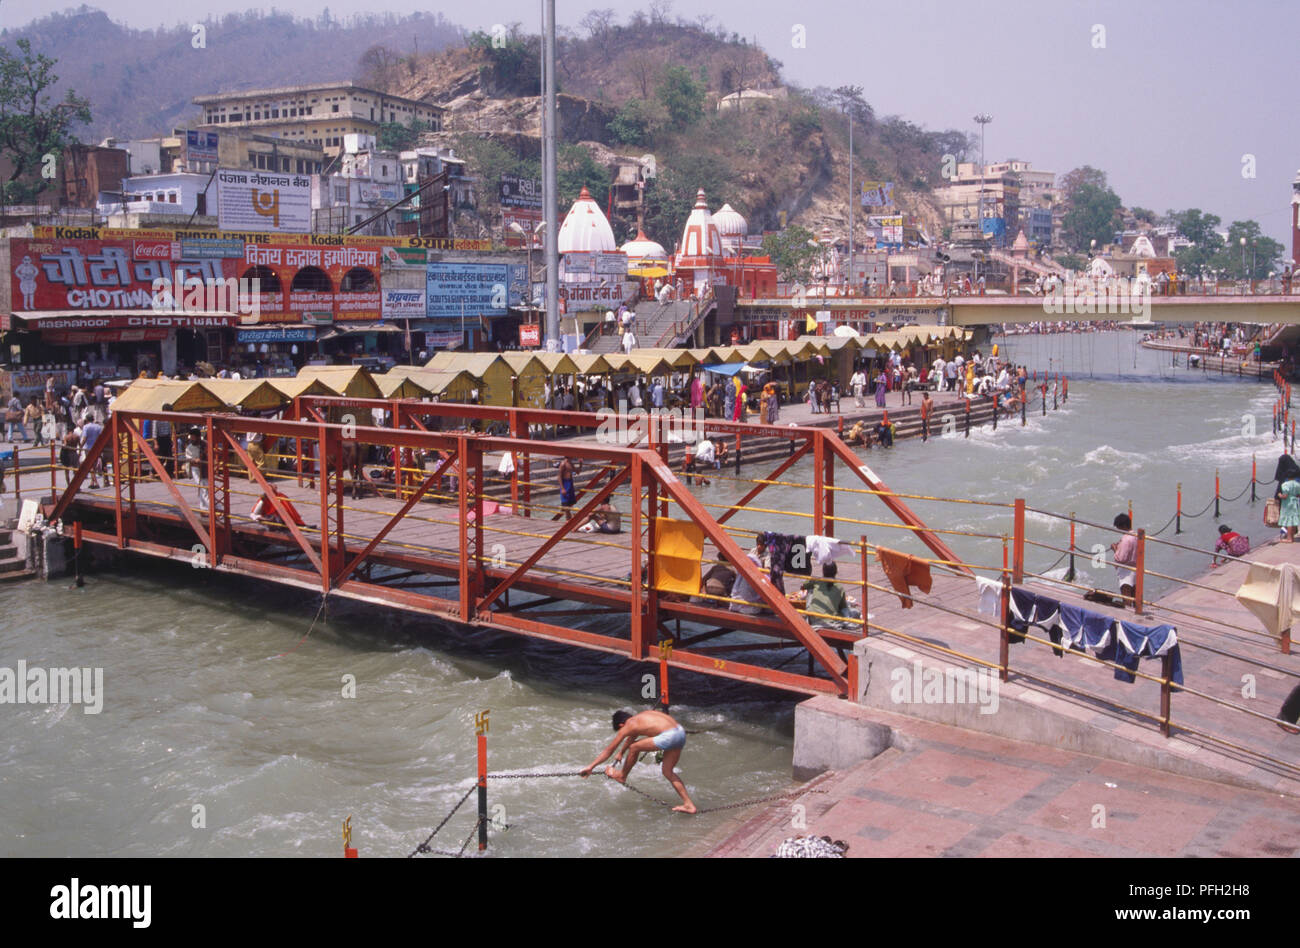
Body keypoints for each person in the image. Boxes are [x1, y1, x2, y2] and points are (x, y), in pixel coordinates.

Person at [580, 708, 697, 814]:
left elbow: (608, 750)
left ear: (621, 725)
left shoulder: (629, 725)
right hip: (680, 732)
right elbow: (632, 736)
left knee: (634, 747)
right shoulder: (642, 716)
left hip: (669, 736)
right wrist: (621, 752)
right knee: (668, 772)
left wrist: (591, 766)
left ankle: (622, 776)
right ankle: (689, 805)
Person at [1110, 513, 1138, 600]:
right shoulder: (1136, 536)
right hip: (1135, 568)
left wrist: (1115, 549)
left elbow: (1121, 558)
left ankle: (1127, 613)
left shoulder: (1126, 539)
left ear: (1124, 526)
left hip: (1126, 571)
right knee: (1134, 595)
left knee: (1126, 596)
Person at [1281, 478, 1300, 543]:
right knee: (1294, 519)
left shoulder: (1285, 484)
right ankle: (1292, 537)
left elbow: (1285, 496)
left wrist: (1279, 495)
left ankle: (1289, 538)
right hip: (1295, 502)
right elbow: (1298, 494)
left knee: (1289, 520)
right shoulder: (1297, 484)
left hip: (1288, 503)